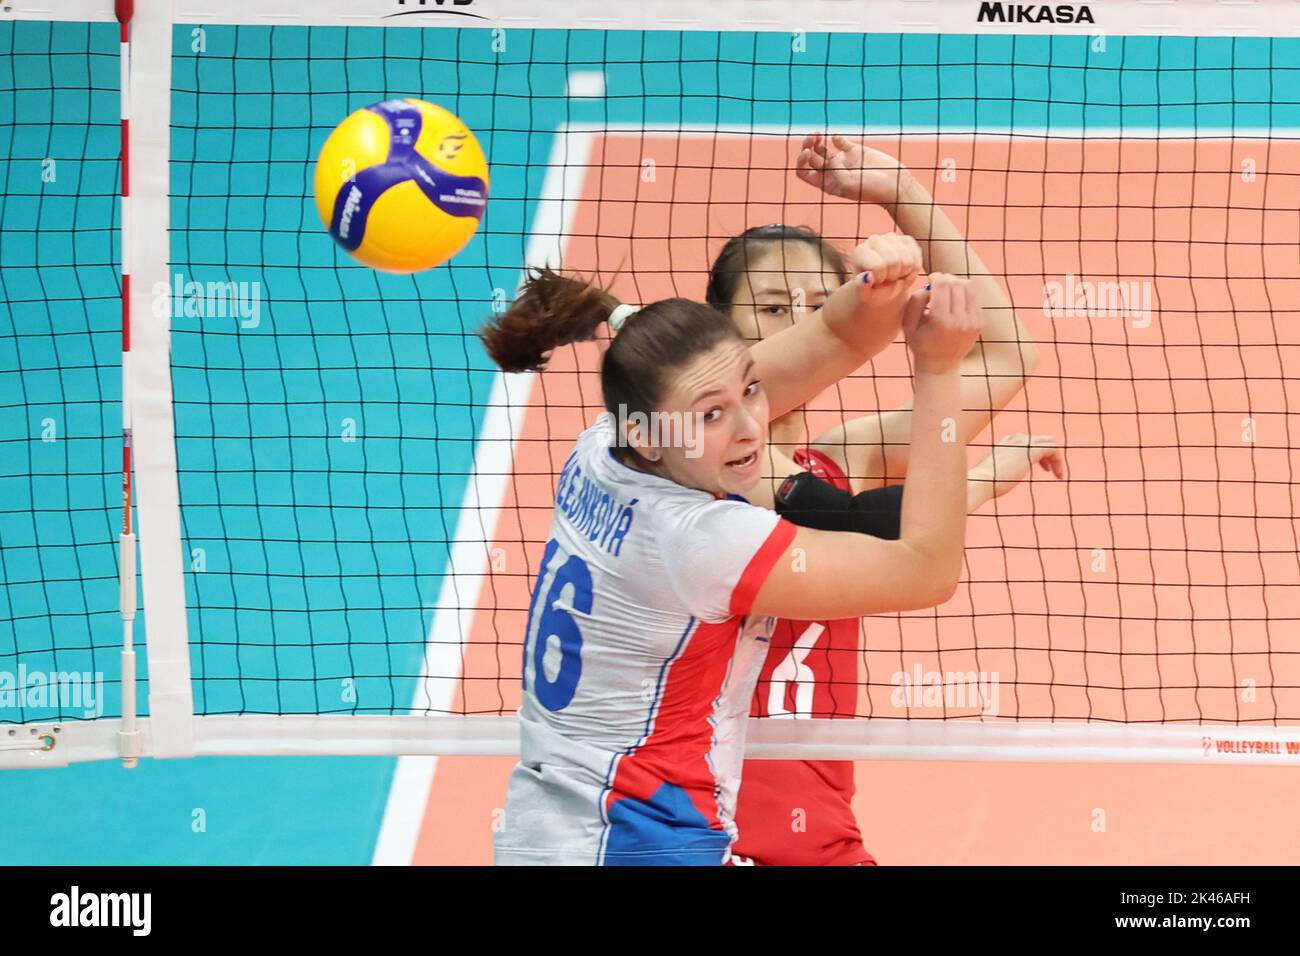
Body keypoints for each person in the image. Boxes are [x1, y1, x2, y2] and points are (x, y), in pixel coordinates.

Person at [479, 230, 987, 864]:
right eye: (711, 414)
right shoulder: (704, 543)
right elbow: (926, 571)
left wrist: (883, 283)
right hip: (637, 844)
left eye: (749, 389)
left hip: (554, 831)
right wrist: (938, 368)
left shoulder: (605, 447)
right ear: (652, 431)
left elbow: (834, 339)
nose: (750, 427)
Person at [707, 136, 1060, 865]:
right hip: (698, 831)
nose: (798, 324)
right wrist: (982, 478)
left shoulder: (845, 460)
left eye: (816, 305)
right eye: (773, 307)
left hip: (822, 840)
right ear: (719, 333)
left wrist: (901, 191)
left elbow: (1006, 354)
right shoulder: (691, 462)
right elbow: (850, 520)